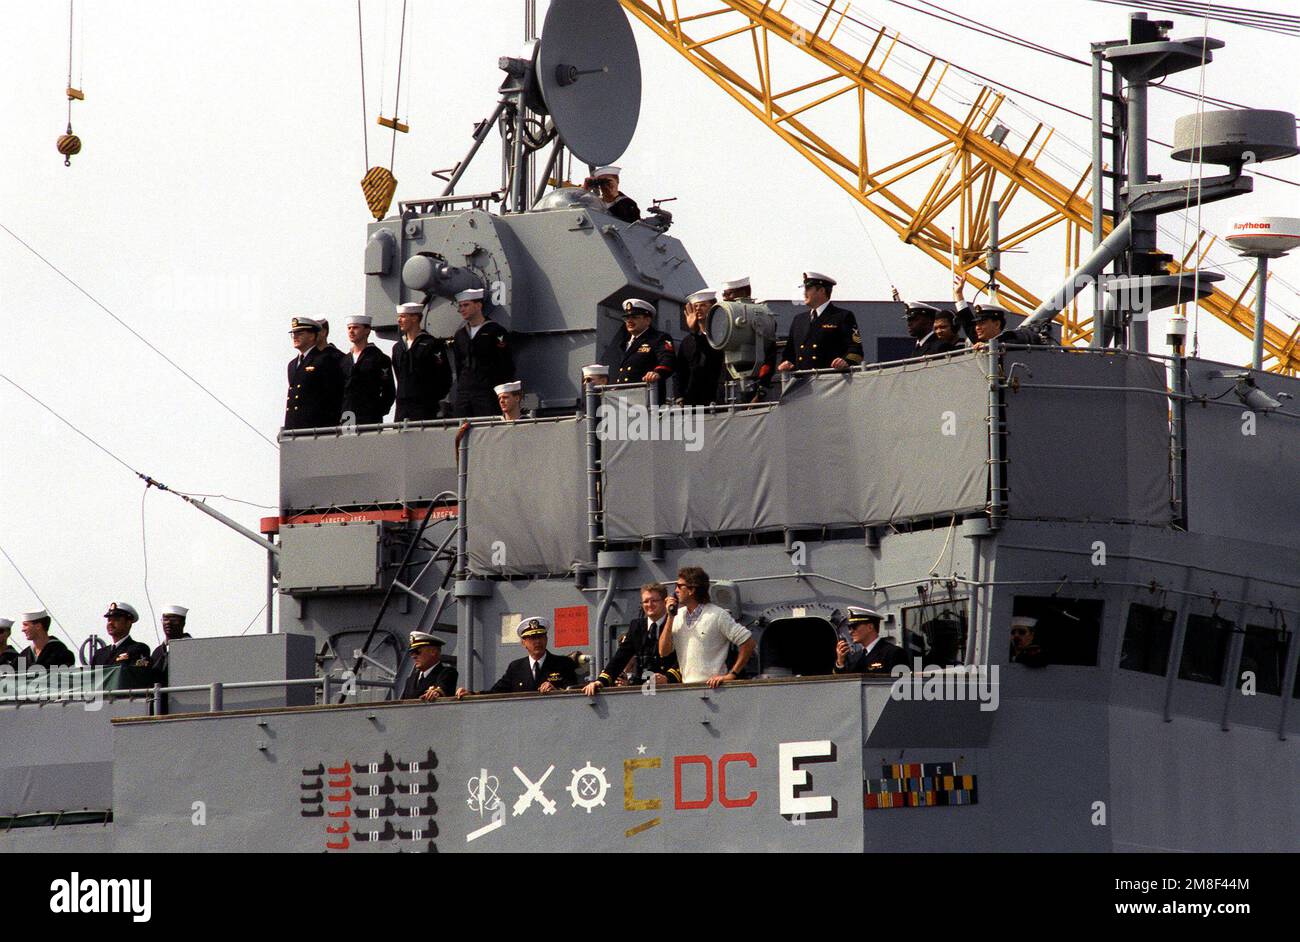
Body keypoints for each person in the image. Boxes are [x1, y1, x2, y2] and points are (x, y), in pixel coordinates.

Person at [658, 567, 755, 687]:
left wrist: (732, 674)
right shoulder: (676, 617)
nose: (675, 590)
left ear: (691, 590)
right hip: (687, 688)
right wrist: (670, 617)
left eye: (679, 586)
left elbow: (748, 642)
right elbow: (663, 651)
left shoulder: (717, 615)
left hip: (714, 688)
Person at [583, 583, 682, 695]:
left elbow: (683, 657)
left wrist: (668, 678)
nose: (649, 605)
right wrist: (600, 681)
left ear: (665, 602)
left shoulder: (676, 623)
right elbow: (620, 658)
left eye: (654, 601)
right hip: (644, 691)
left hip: (672, 689)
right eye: (645, 601)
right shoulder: (637, 626)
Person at [457, 617, 577, 696]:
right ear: (523, 643)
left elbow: (573, 691)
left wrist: (556, 691)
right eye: (532, 638)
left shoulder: (563, 663)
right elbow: (496, 692)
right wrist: (471, 694)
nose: (537, 642)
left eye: (540, 637)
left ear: (546, 639)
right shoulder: (516, 667)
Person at [777, 272, 863, 373]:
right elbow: (789, 353)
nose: (804, 293)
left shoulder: (842, 316)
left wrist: (846, 361)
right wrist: (786, 363)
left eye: (808, 289)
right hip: (801, 383)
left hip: (831, 382)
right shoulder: (799, 320)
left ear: (821, 290)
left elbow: (857, 351)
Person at [450, 288, 515, 418]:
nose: (462, 309)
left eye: (466, 305)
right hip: (465, 393)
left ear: (478, 305)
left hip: (487, 391)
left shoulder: (495, 331)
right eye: (460, 306)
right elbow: (459, 365)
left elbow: (505, 364)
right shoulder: (460, 335)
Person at [392, 302, 452, 421]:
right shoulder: (398, 348)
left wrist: (430, 397)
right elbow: (399, 374)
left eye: (403, 316)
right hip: (402, 406)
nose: (399, 320)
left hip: (424, 406)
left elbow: (444, 376)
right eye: (398, 317)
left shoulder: (431, 344)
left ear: (414, 318)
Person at [284, 316, 346, 430]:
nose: (295, 336)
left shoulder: (325, 360)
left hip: (315, 428)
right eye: (293, 333)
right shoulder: (292, 365)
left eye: (300, 333)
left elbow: (334, 396)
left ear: (312, 335)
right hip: (294, 428)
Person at [605, 299, 675, 397]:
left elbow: (667, 359)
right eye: (627, 318)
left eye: (634, 317)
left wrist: (657, 373)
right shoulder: (624, 343)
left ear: (647, 320)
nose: (629, 321)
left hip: (647, 398)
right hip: (625, 399)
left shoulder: (658, 338)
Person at [341, 314, 396, 425]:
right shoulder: (344, 361)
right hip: (347, 415)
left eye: (355, 327)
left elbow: (389, 391)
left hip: (369, 416)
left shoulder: (379, 358)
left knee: (369, 442)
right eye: (349, 328)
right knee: (347, 442)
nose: (351, 331)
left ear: (367, 330)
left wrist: (378, 411)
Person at [675, 289, 725, 406]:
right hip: (691, 400)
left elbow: (711, 356)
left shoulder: (722, 336)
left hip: (715, 399)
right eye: (695, 306)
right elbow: (680, 370)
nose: (698, 309)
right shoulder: (687, 341)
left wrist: (694, 332)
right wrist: (679, 396)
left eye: (703, 305)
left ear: (713, 308)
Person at [832, 606, 909, 675]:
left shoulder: (894, 653)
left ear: (870, 627)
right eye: (849, 628)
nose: (850, 632)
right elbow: (845, 684)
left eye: (854, 626)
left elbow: (900, 686)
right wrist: (840, 661)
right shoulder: (855, 657)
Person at [91, 602, 152, 668]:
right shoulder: (100, 654)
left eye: (116, 620)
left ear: (128, 623)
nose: (110, 623)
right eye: (109, 620)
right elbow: (93, 677)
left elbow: (135, 675)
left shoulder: (138, 649)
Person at [400, 631, 457, 701]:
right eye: (412, 653)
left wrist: (437, 692)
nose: (413, 656)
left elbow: (443, 689)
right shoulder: (410, 679)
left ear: (433, 652)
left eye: (417, 652)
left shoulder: (447, 673)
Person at [149, 605, 192, 674]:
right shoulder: (158, 651)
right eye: (165, 619)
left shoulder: (191, 647)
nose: (168, 623)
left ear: (183, 623)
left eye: (173, 620)